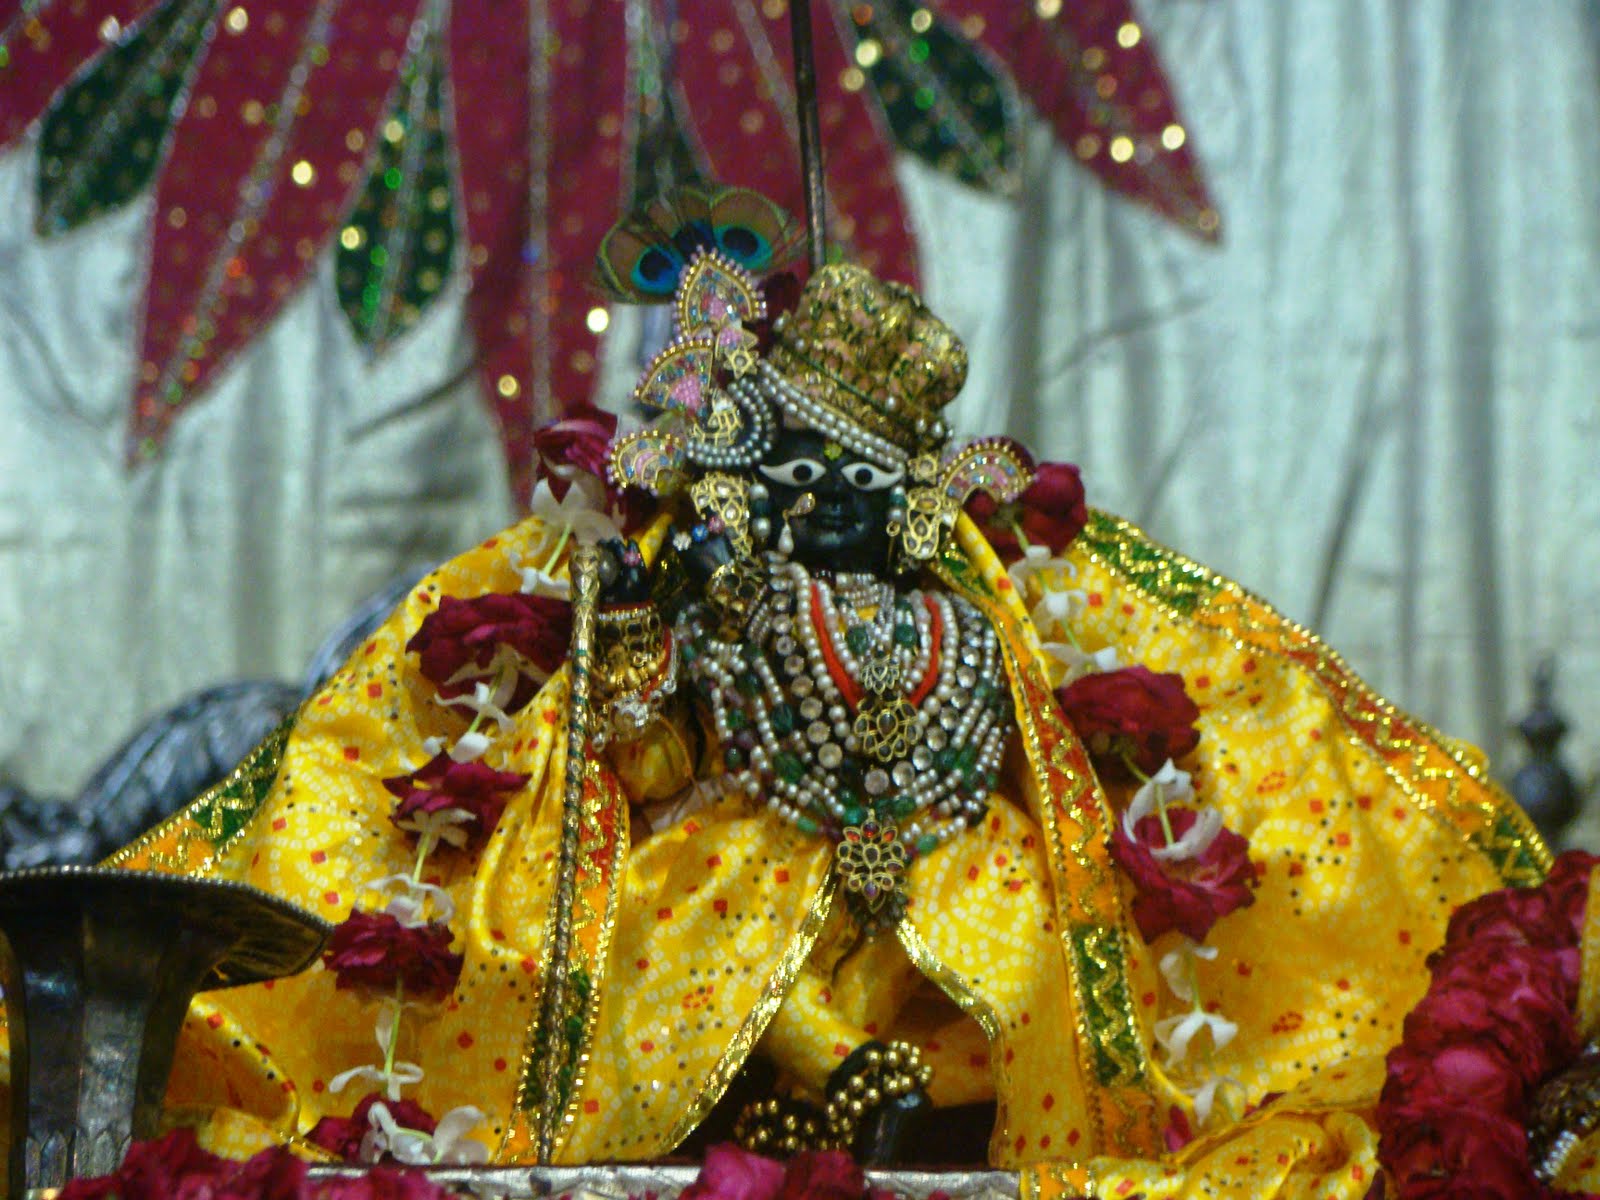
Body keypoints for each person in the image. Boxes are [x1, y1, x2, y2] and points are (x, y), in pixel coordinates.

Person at [80, 231, 1541, 1199]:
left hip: (954, 920)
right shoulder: (680, 570)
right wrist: (672, 641)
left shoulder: (981, 608)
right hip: (705, 900)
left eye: (843, 488)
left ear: (911, 497)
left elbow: (1019, 758)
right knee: (691, 937)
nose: (799, 509)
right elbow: (635, 744)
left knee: (1038, 952)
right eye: (782, 472)